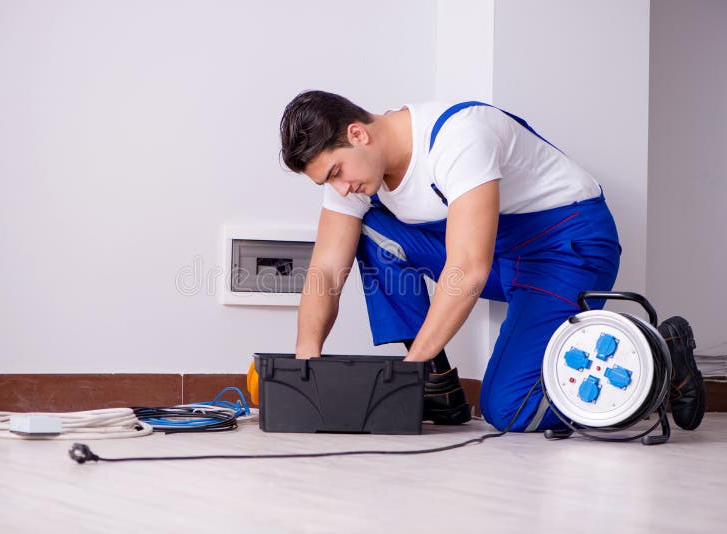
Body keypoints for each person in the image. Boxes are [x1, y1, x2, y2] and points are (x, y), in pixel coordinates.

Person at [278, 90, 706, 431]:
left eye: (335, 173)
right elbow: (325, 271)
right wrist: (305, 364)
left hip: (563, 248)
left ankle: (658, 357)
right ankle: (437, 388)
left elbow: (467, 270)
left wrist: (400, 379)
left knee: (511, 410)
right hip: (499, 252)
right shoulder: (356, 177)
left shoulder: (458, 138)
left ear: (357, 134)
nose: (339, 188)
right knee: (370, 232)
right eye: (326, 181)